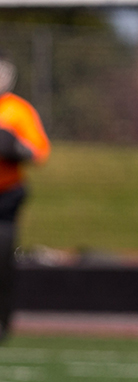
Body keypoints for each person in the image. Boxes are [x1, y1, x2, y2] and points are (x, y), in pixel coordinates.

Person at [0, 53, 50, 342]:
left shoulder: (19, 111)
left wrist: (13, 147)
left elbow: (40, 152)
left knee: (3, 260)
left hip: (6, 197)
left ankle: (3, 321)